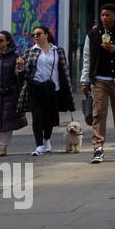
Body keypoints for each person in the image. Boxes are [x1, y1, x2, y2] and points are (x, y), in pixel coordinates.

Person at [79, 4, 115, 164]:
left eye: (107, 15)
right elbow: (87, 58)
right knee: (99, 112)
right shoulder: (93, 34)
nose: (104, 18)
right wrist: (85, 80)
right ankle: (98, 147)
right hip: (100, 79)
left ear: (114, 16)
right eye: (102, 15)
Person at [17, 25, 74, 156]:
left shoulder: (58, 51)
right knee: (37, 116)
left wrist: (67, 89)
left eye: (38, 34)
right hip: (34, 88)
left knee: (49, 117)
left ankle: (46, 140)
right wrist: (20, 67)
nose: (35, 36)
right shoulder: (30, 51)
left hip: (52, 89)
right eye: (34, 35)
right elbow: (21, 72)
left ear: (46, 35)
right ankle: (39, 145)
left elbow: (64, 71)